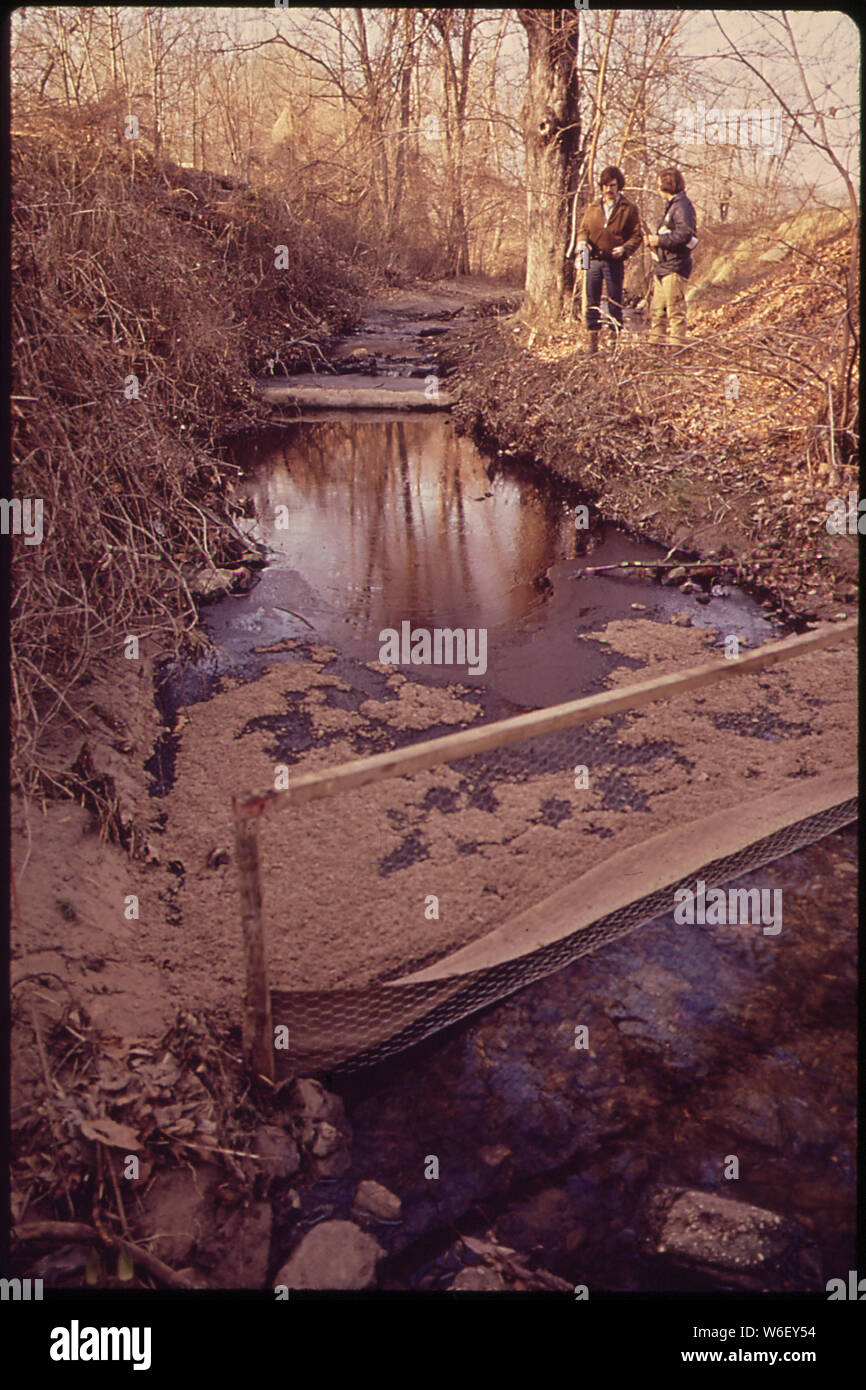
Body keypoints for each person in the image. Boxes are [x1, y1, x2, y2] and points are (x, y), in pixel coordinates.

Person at [573, 166, 642, 355]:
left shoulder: (628, 208)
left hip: (614, 261)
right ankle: (592, 345)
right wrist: (582, 243)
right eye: (604, 186)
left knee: (614, 302)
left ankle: (614, 345)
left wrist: (625, 249)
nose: (608, 190)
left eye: (611, 185)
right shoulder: (593, 207)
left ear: (618, 186)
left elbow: (637, 236)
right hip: (593, 260)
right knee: (592, 302)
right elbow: (583, 230)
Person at [646, 168, 698, 348]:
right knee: (657, 313)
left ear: (667, 185)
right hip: (663, 267)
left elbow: (685, 235)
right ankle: (654, 354)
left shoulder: (682, 206)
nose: (657, 187)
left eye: (659, 183)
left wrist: (659, 240)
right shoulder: (672, 205)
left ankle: (676, 354)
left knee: (675, 313)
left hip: (675, 267)